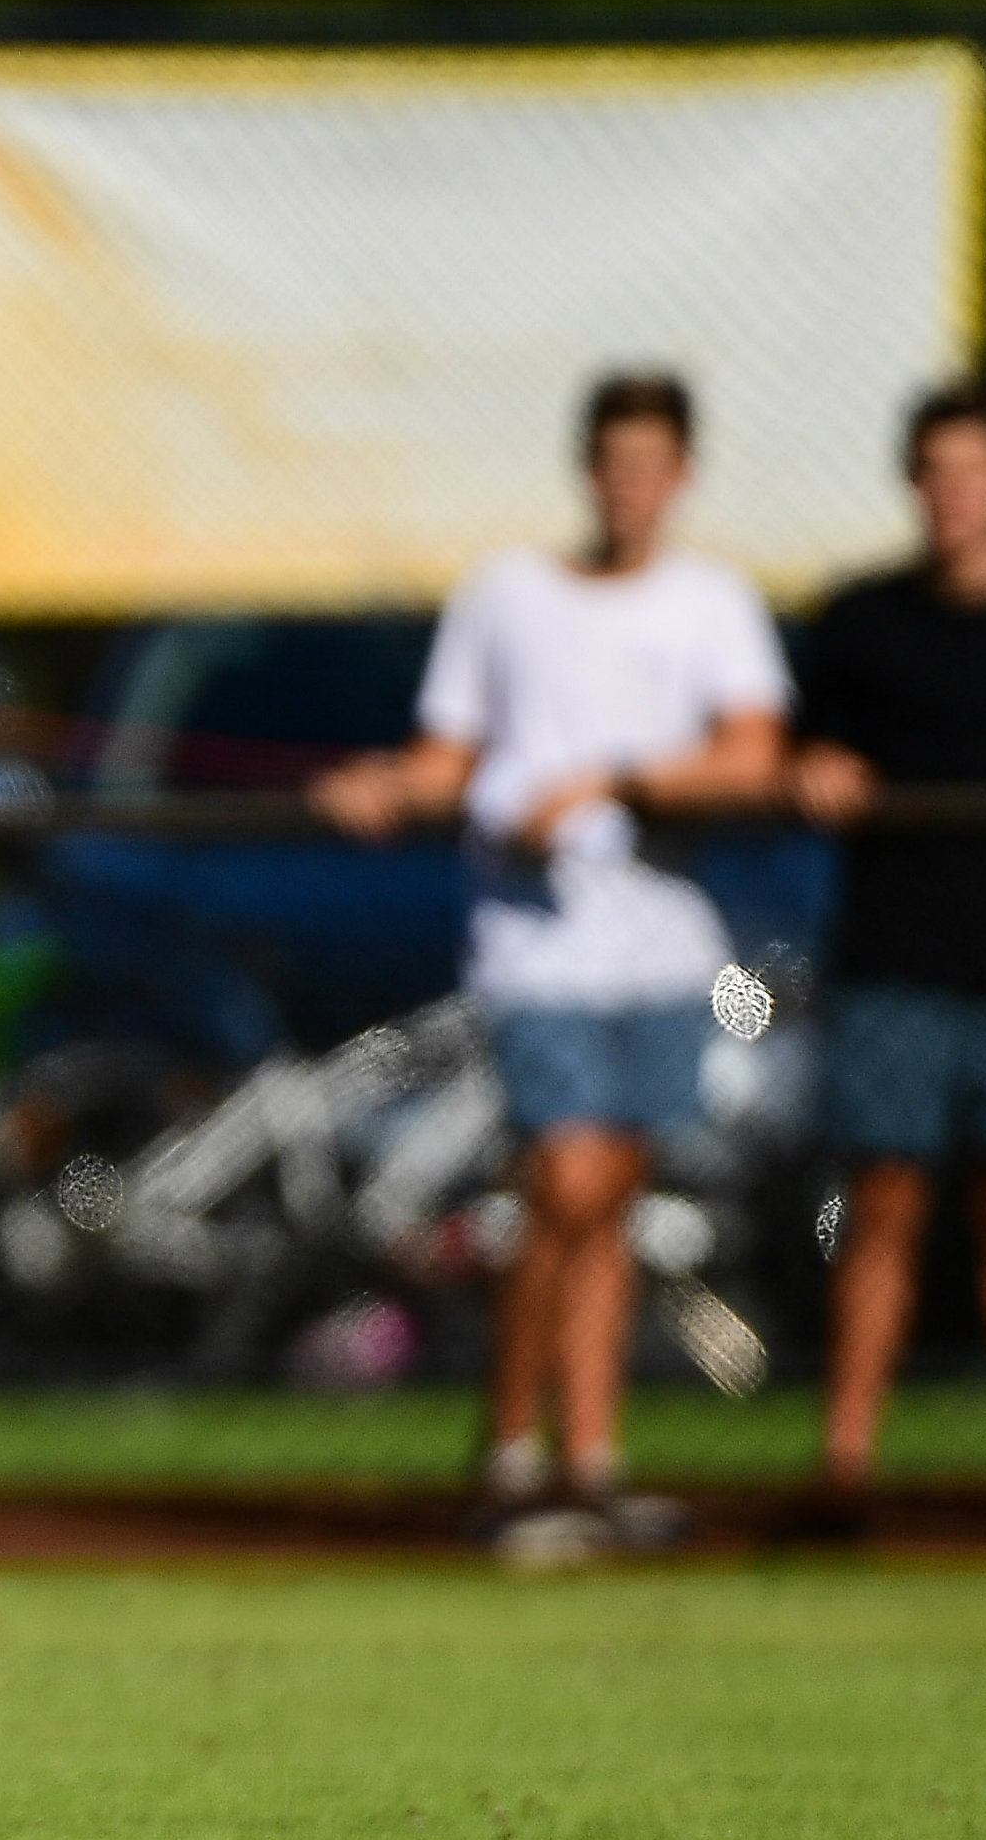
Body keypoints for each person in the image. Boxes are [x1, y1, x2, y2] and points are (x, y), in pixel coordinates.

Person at [310, 371, 789, 1514]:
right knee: (562, 1181)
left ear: (681, 476)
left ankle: (587, 1457)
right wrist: (382, 784)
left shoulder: (713, 601)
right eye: (613, 464)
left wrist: (606, 783)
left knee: (607, 1200)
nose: (630, 487)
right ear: (588, 471)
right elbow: (445, 757)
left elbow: (751, 756)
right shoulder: (506, 593)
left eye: (650, 466)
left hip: (659, 949)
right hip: (535, 952)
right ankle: (511, 1445)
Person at [788, 386, 986, 1487]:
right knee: (882, 1207)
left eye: (975, 471)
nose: (954, 495)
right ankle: (846, 1463)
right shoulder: (861, 621)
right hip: (894, 955)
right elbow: (804, 748)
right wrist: (815, 769)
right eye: (935, 471)